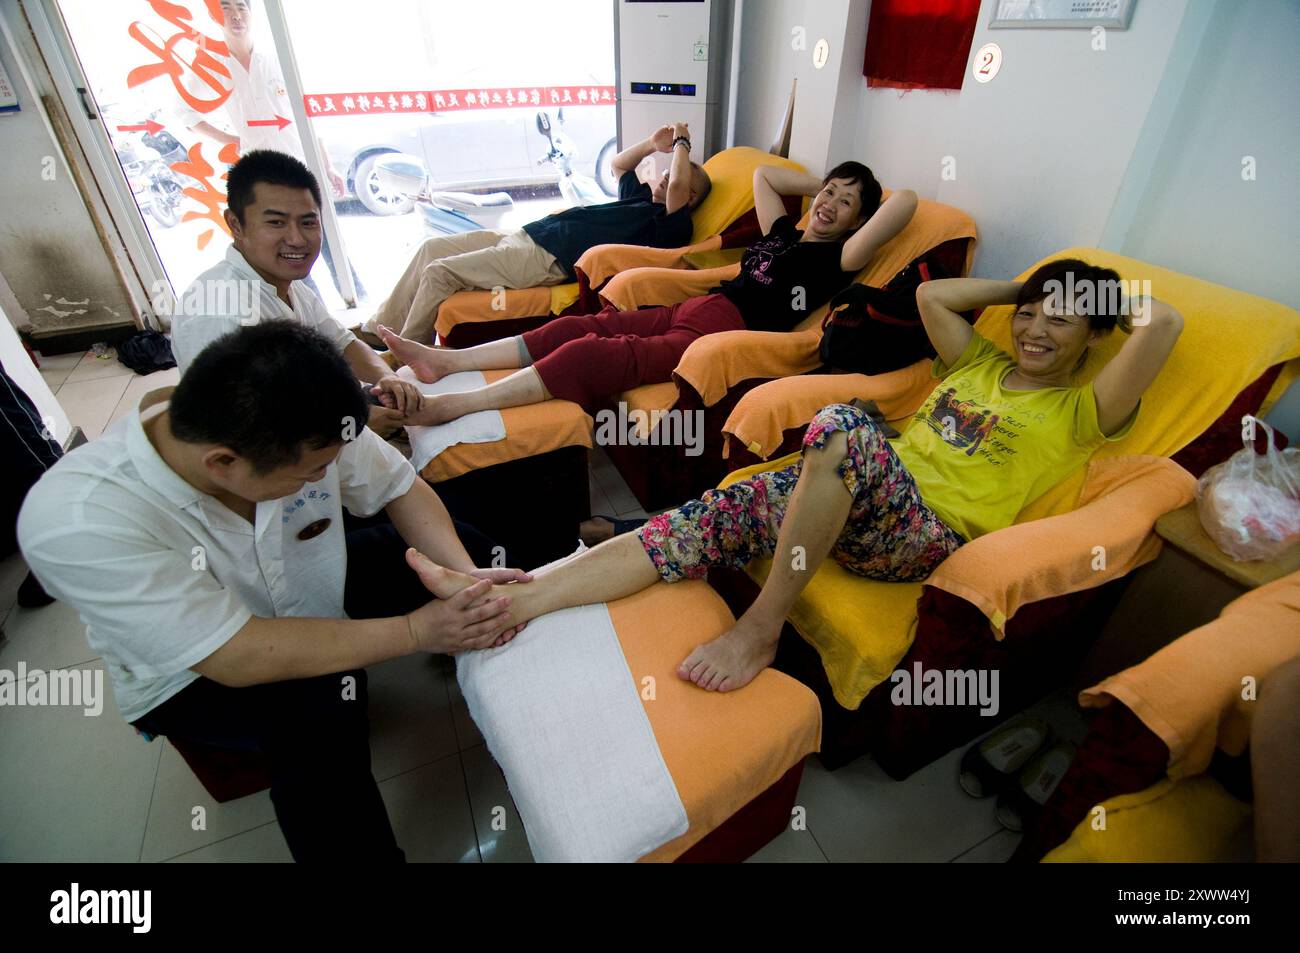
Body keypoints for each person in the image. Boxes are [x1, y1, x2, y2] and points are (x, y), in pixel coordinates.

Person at [396, 259, 1184, 694]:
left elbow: (1169, 324)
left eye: (1063, 319)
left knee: (843, 427)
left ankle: (760, 628)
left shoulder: (1087, 410)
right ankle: (514, 598)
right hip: (853, 502)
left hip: (925, 536)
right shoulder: (979, 361)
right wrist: (1030, 284)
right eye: (1033, 313)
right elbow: (931, 294)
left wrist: (1097, 292)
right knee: (705, 512)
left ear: (1094, 335)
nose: (1038, 329)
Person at [17, 321, 531, 862]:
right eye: (313, 472)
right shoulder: (77, 520)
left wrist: (462, 579)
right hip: (196, 672)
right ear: (222, 463)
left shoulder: (296, 411)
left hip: (306, 593)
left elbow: (400, 488)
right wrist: (416, 631)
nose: (324, 477)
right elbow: (236, 656)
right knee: (319, 715)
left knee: (466, 550)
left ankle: (523, 680)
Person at [376, 162, 917, 426]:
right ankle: (446, 361)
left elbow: (906, 202)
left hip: (724, 331)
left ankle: (455, 405)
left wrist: (856, 205)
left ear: (859, 222)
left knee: (594, 353)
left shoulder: (838, 257)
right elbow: (765, 177)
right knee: (575, 326)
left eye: (845, 202)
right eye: (828, 192)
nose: (828, 203)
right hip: (695, 308)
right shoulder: (783, 232)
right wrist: (824, 184)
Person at [363, 121, 713, 343]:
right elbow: (620, 164)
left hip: (544, 258)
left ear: (690, 198)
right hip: (530, 234)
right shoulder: (642, 202)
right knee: (431, 248)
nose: (667, 176)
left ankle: (405, 357)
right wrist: (653, 144)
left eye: (675, 177)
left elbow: (680, 184)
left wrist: (683, 142)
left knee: (438, 273)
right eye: (667, 172)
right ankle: (377, 331)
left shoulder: (671, 227)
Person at [170, 149, 419, 437]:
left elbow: (343, 343)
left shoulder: (285, 283)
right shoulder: (221, 313)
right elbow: (244, 428)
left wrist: (387, 377)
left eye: (308, 222)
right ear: (236, 224)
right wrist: (351, 426)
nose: (297, 239)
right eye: (276, 223)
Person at [187, 0, 364, 301]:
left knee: (325, 239)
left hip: (299, 165)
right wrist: (232, 140)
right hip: (260, 175)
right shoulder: (212, 66)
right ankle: (309, 311)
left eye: (241, 7)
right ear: (214, 15)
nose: (235, 15)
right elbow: (188, 115)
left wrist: (327, 165)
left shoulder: (275, 58)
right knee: (283, 248)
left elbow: (305, 118)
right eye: (226, 8)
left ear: (252, 13)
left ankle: (356, 297)